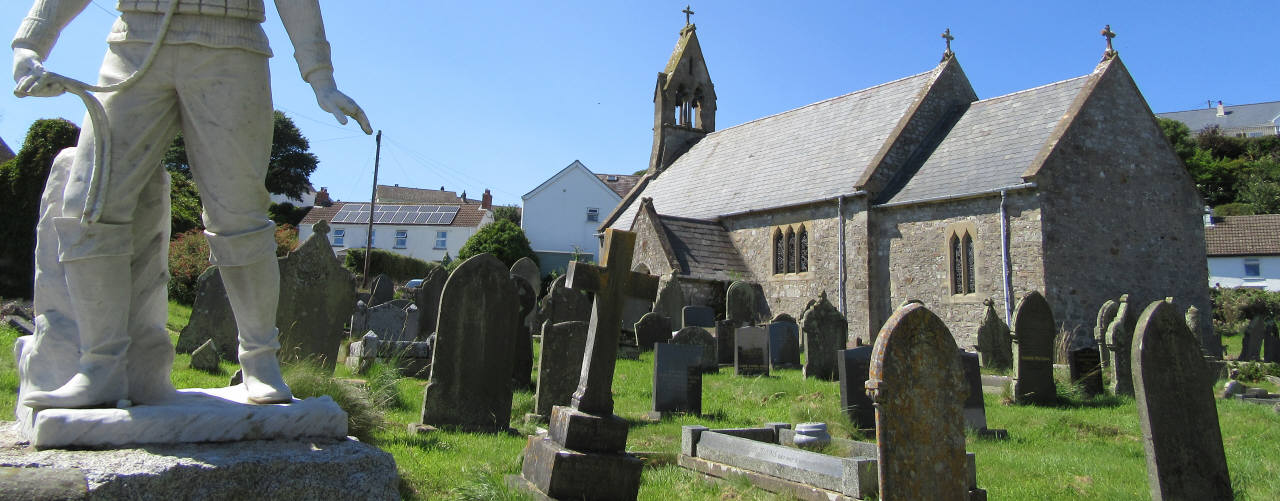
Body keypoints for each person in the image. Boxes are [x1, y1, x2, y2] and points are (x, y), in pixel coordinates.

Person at [11, 0, 371, 408]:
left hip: (231, 44)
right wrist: (31, 42)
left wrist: (320, 76)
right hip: (137, 39)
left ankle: (260, 363)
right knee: (89, 205)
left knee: (239, 215)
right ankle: (100, 368)